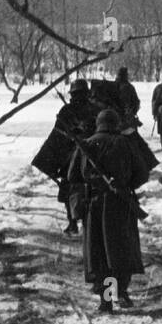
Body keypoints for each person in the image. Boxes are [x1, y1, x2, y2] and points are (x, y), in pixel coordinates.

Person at [66, 108, 154, 312]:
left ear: (98, 124)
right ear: (115, 124)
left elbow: (72, 176)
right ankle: (120, 292)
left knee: (99, 253)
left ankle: (106, 300)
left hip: (94, 205)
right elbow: (142, 174)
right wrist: (125, 185)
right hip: (121, 204)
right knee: (120, 250)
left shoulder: (86, 144)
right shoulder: (126, 143)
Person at [31, 79, 102, 234]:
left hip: (78, 156)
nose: (76, 97)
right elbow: (58, 134)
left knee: (73, 188)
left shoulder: (89, 110)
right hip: (76, 156)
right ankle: (76, 222)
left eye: (77, 94)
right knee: (72, 188)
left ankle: (76, 222)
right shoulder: (80, 110)